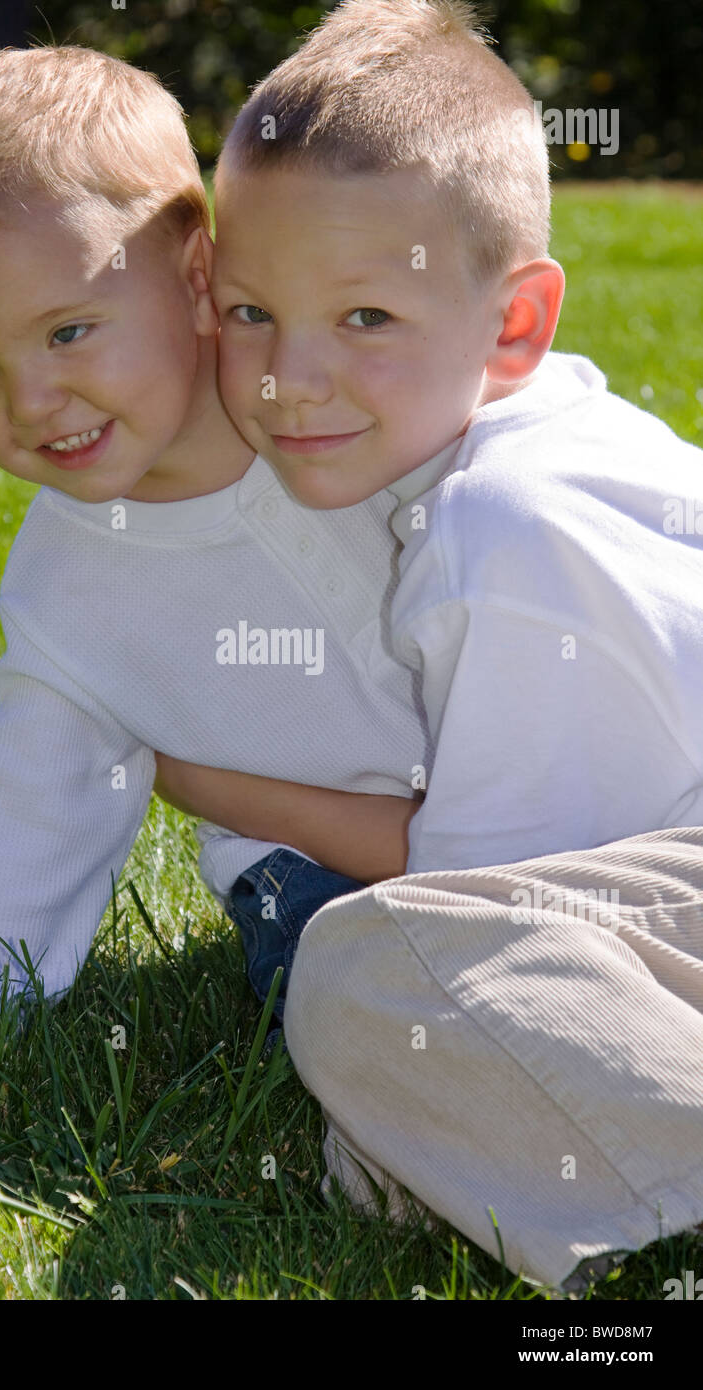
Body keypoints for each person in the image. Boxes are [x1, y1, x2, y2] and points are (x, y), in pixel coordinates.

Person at [154, 0, 703, 1289]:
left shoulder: (498, 536)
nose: (291, 379)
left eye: (365, 321)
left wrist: (197, 776)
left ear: (510, 325)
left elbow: (473, 914)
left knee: (364, 981)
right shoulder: (560, 431)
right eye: (248, 315)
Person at [0, 42, 428, 1070]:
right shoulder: (69, 586)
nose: (27, 402)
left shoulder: (339, 402)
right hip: (320, 874)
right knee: (378, 996)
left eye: (67, 332)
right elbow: (39, 803)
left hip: (555, 783)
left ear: (196, 276)